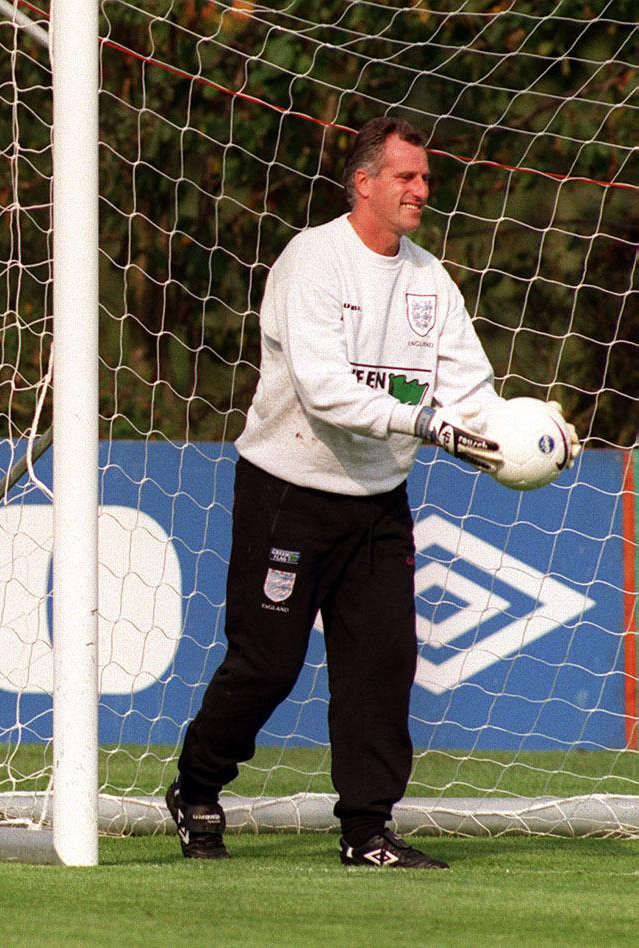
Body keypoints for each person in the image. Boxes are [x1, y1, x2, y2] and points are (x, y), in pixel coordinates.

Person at [164, 117, 580, 869]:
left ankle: (367, 831)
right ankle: (197, 786)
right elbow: (323, 391)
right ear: (364, 183)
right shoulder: (313, 261)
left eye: (424, 178)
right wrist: (427, 425)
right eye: (406, 177)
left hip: (378, 500)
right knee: (267, 665)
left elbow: (471, 393)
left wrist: (529, 431)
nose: (422, 189)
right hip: (289, 489)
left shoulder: (429, 280)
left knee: (383, 663)